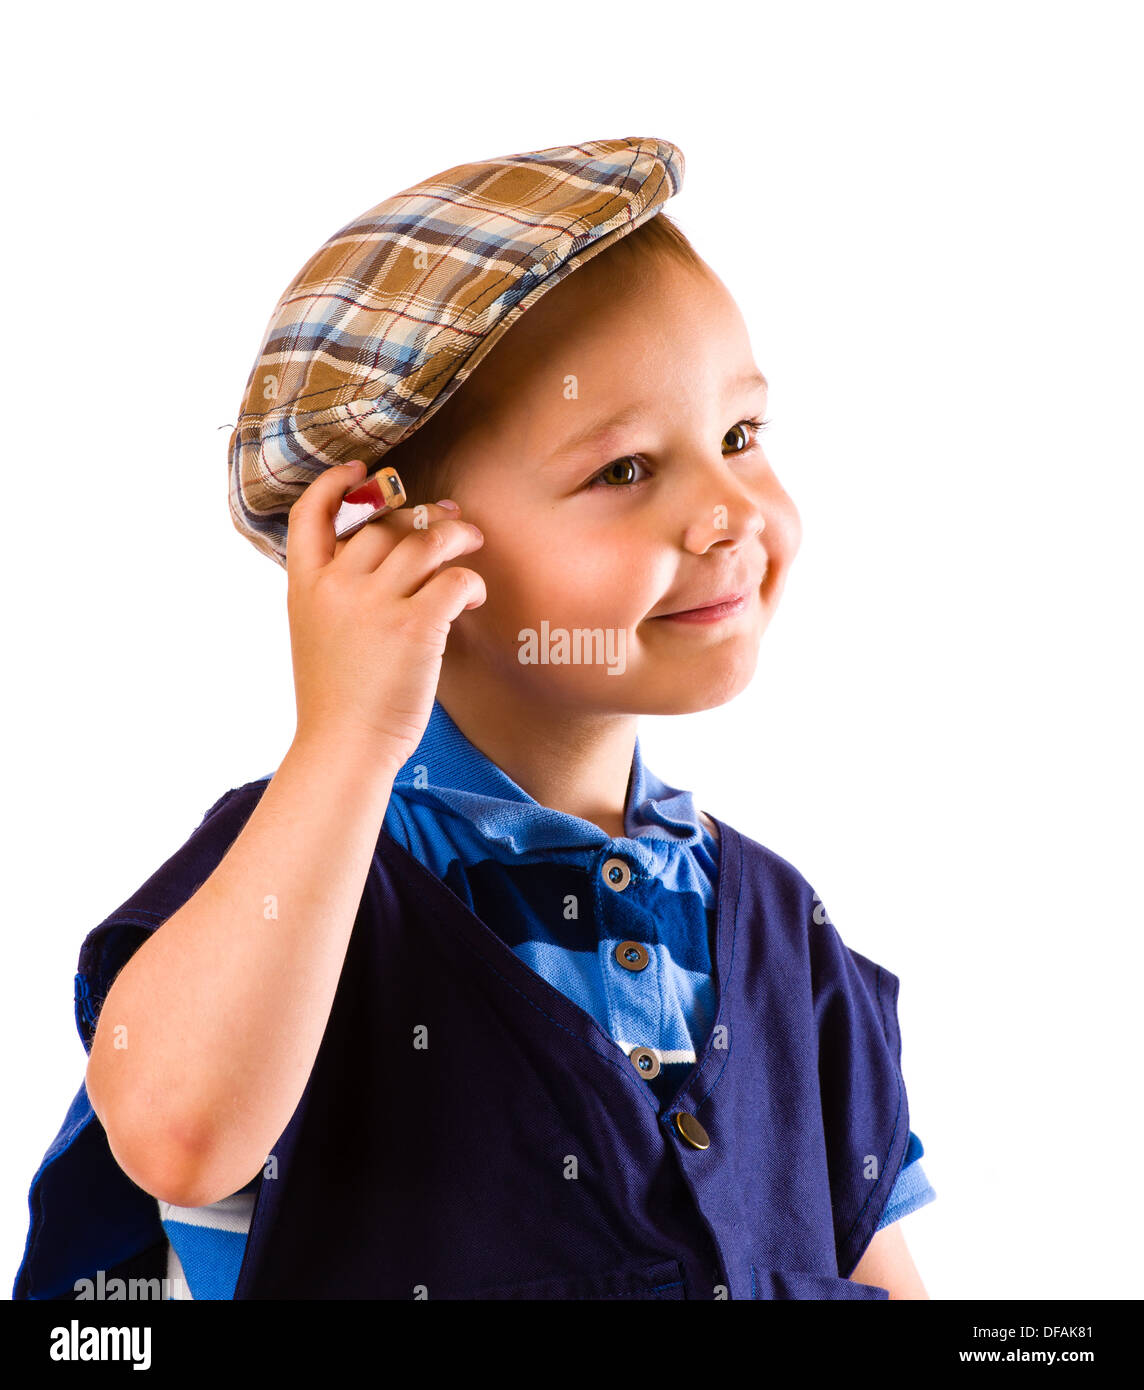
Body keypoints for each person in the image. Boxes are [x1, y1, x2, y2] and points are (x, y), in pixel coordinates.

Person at [15, 137, 935, 1301]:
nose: (725, 511)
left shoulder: (780, 940)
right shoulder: (303, 879)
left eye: (740, 436)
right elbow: (177, 1135)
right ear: (398, 539)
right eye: (624, 470)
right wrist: (347, 737)